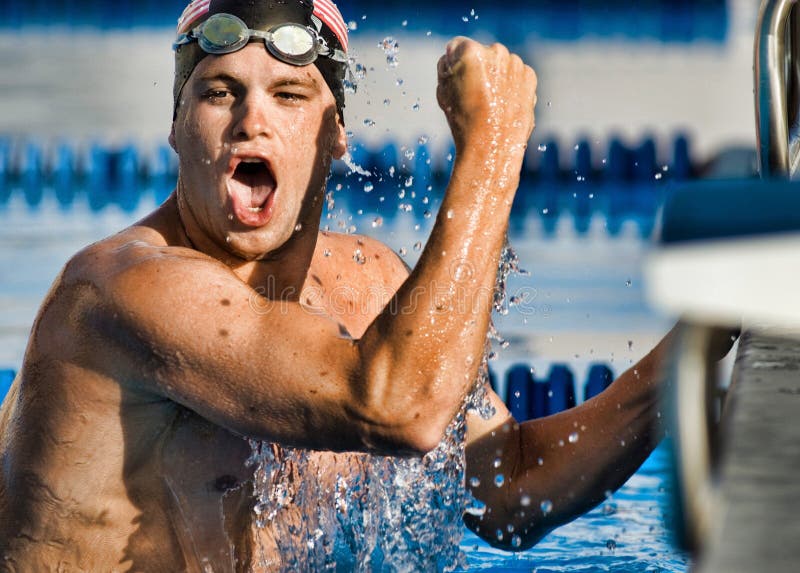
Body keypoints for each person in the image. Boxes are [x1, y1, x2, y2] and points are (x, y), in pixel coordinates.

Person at [0, 0, 734, 571]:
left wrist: (707, 336)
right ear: (176, 126)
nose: (252, 121)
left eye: (290, 95)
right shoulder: (124, 290)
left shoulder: (365, 285)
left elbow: (512, 489)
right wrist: (494, 145)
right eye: (219, 92)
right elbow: (400, 407)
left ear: (336, 135)